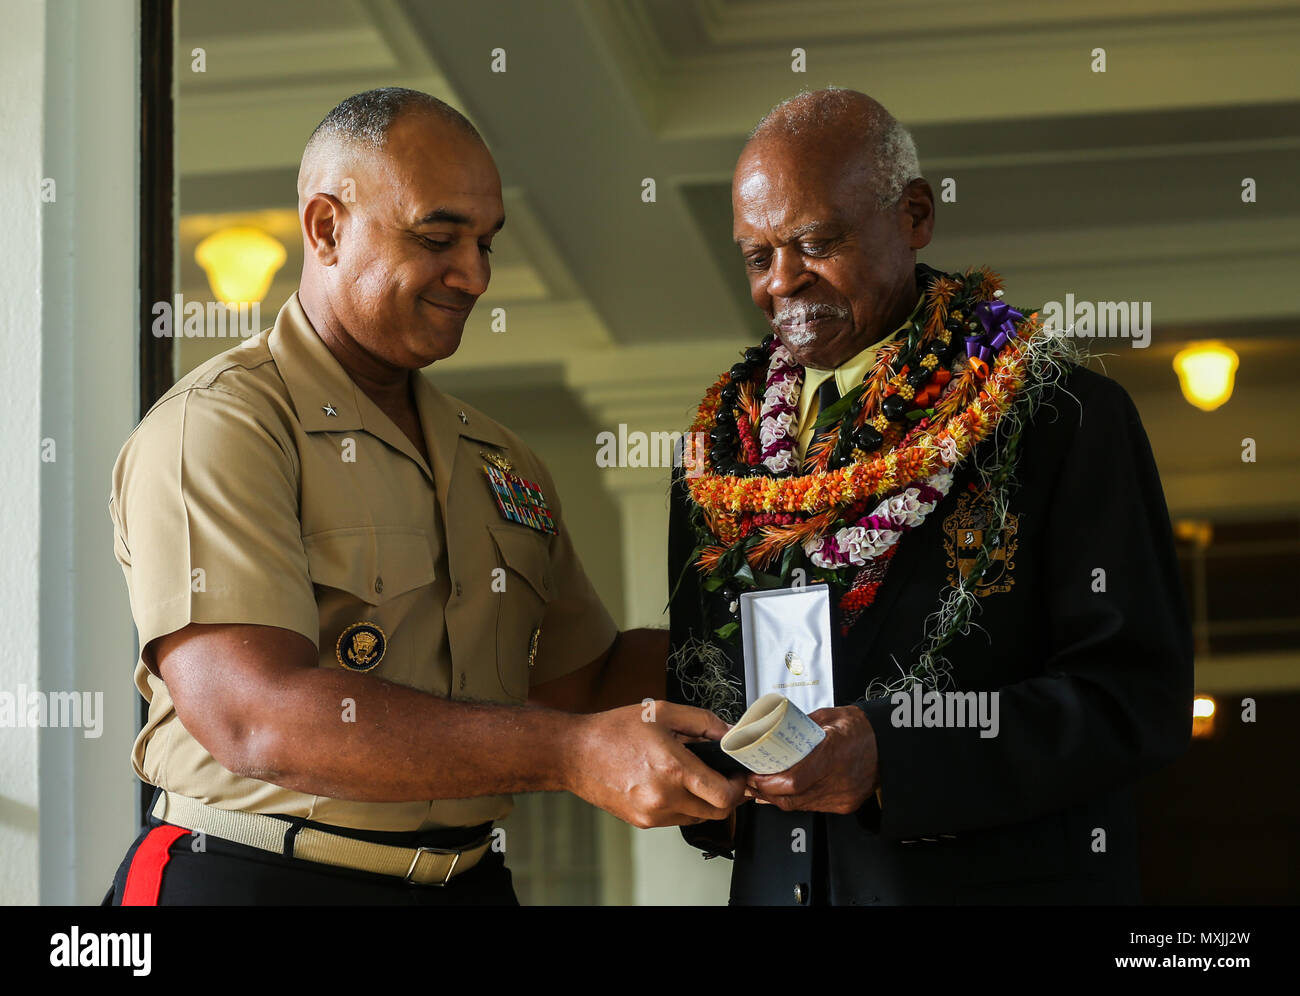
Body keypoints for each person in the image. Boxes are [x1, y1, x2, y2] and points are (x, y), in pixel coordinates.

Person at [104, 87, 743, 906]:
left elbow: (583, 682)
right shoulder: (222, 427)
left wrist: (775, 652)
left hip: (469, 883)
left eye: (485, 242)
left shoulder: (500, 459)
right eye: (439, 237)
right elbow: (255, 715)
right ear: (325, 227)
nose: (475, 274)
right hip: (256, 879)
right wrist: (572, 756)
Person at [667, 87, 1193, 905]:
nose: (783, 282)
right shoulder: (713, 453)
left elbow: (1135, 700)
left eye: (815, 242)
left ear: (914, 216)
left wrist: (894, 755)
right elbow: (703, 683)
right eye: (757, 255)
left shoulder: (1061, 416)